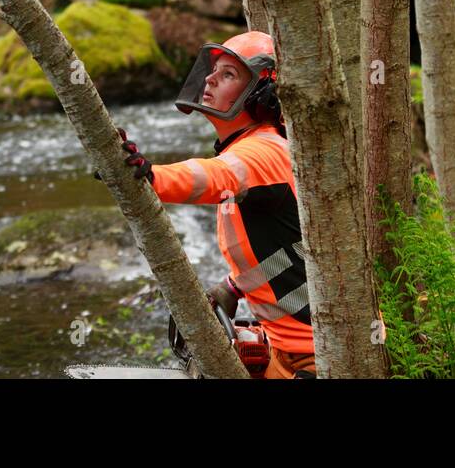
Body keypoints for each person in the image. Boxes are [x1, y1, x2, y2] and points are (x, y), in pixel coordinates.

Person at [117, 31, 316, 379]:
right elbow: (290, 250)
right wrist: (233, 287)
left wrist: (151, 176)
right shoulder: (254, 148)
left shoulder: (262, 152)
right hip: (285, 348)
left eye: (228, 74)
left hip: (314, 358)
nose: (210, 78)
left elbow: (210, 176)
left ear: (261, 95)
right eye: (214, 71)